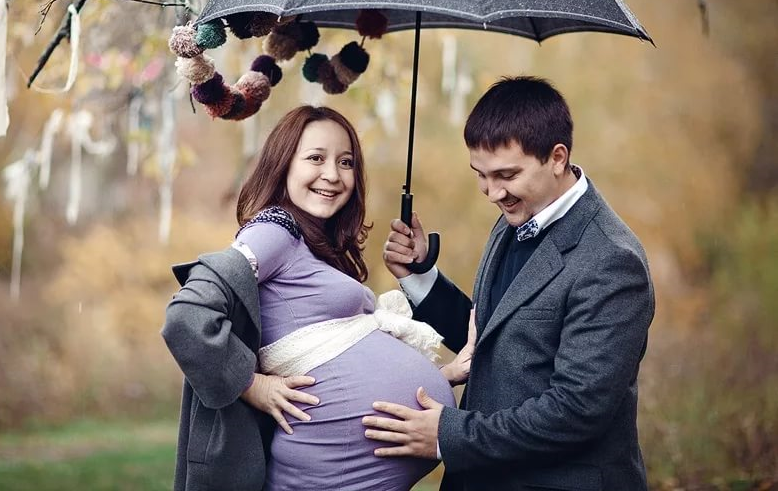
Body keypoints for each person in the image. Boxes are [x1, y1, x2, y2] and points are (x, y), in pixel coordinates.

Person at [364, 76, 656, 491]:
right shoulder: (518, 214)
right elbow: (495, 335)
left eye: (506, 174)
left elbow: (576, 411)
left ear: (557, 158)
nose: (491, 192)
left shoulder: (612, 261)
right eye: (480, 175)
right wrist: (419, 275)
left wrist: (447, 436)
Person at [162, 105, 460, 491]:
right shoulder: (274, 230)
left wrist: (441, 378)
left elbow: (331, 356)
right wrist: (252, 385)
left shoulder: (313, 244)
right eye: (315, 158)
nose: (333, 175)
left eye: (346, 162)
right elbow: (187, 313)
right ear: (283, 164)